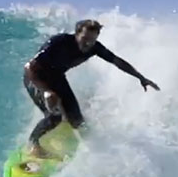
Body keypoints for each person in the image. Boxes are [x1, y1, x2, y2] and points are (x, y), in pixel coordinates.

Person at [22, 19, 159, 157]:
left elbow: (117, 61)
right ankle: (33, 144)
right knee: (54, 116)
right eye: (84, 38)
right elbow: (30, 67)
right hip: (36, 78)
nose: (88, 43)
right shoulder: (59, 42)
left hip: (57, 78)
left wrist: (140, 77)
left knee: (78, 121)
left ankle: (73, 132)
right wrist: (46, 91)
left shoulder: (94, 48)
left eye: (92, 40)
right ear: (76, 34)